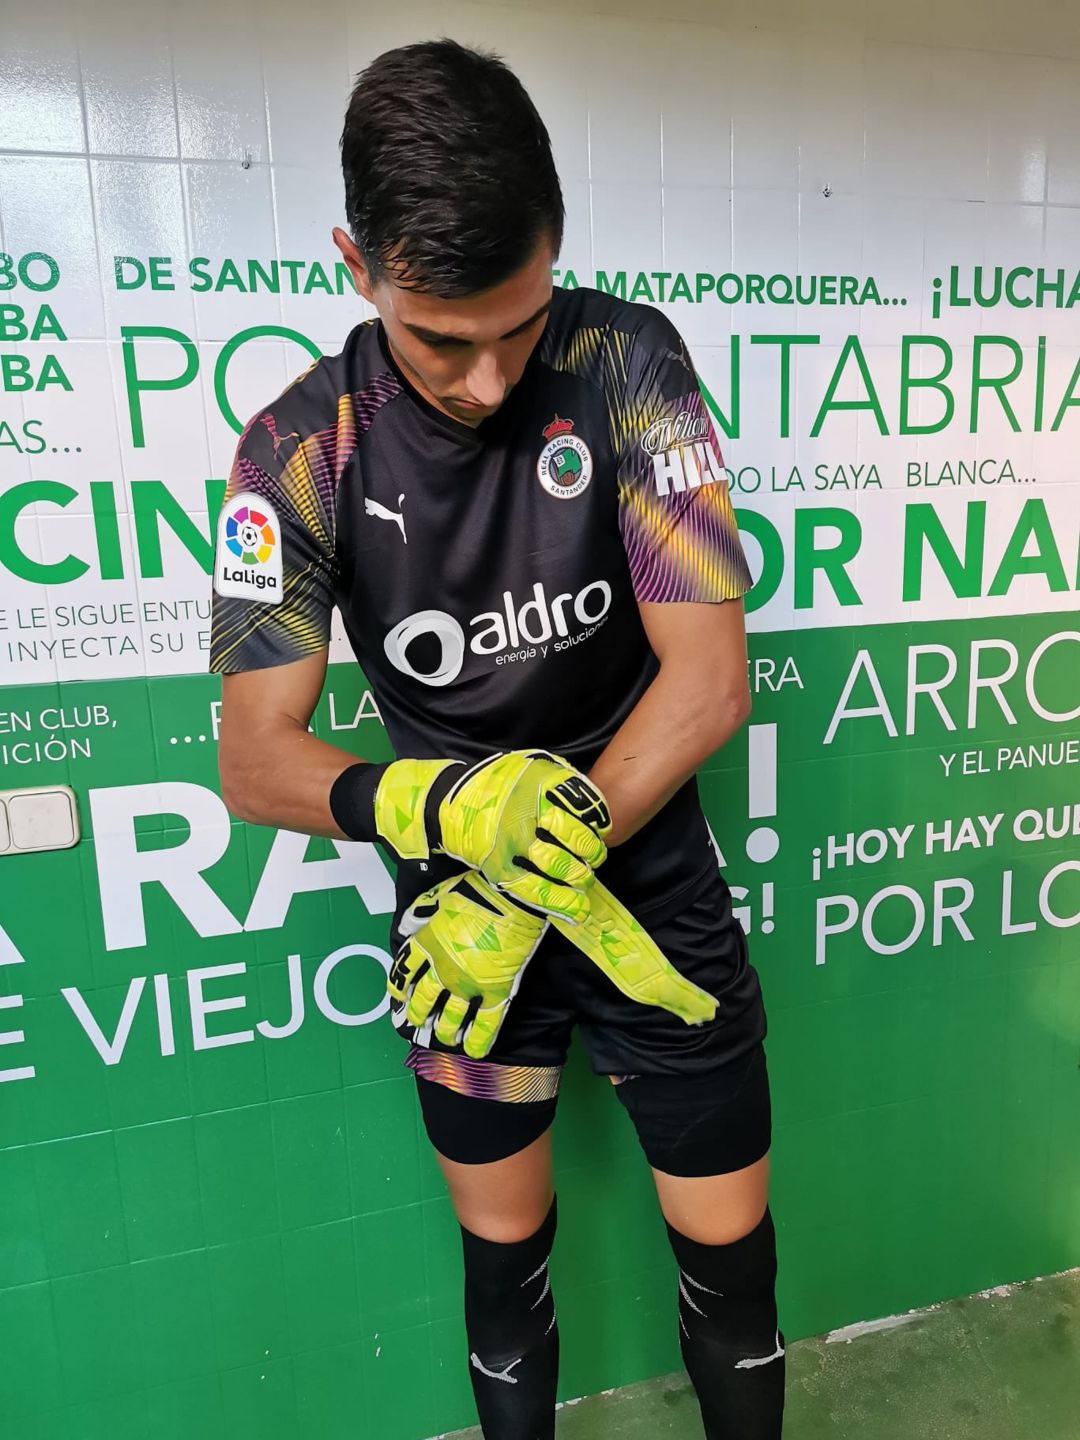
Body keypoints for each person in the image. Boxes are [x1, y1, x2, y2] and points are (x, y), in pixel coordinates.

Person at [210, 37, 784, 1440]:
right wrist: (457, 816)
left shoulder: (626, 360)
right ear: (359, 263)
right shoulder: (299, 448)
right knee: (503, 1262)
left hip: (651, 897)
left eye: (515, 327)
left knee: (732, 1272)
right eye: (439, 338)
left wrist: (551, 849)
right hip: (463, 935)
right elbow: (255, 759)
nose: (484, 378)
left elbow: (706, 684)